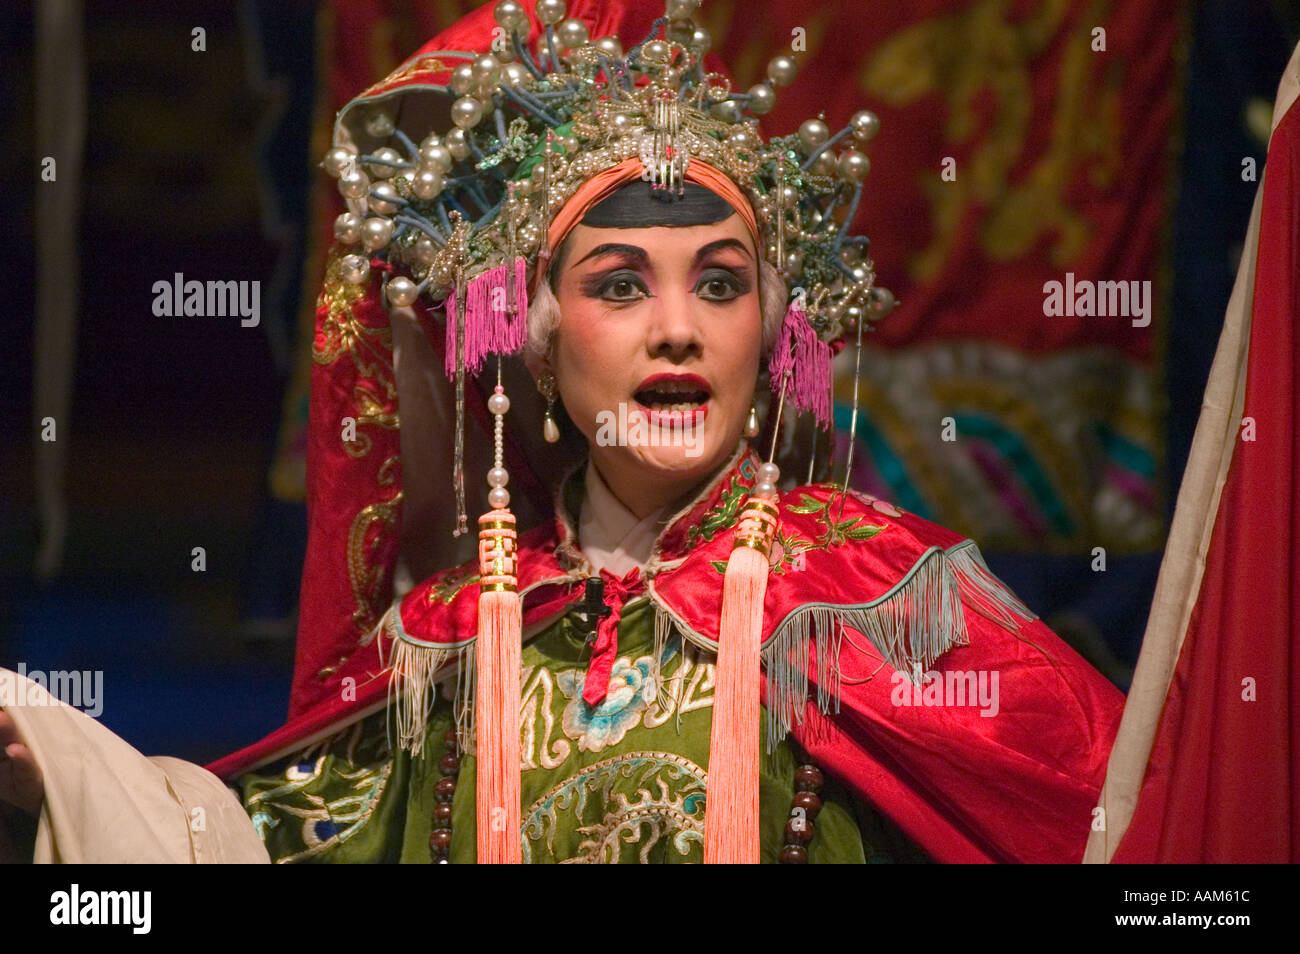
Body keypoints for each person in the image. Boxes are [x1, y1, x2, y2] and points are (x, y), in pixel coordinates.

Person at [0, 0, 1123, 864]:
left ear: (776, 335)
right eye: (621, 286)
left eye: (721, 286)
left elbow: (1135, 830)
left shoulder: (881, 605)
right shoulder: (456, 641)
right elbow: (255, 847)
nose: (676, 331)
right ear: (534, 343)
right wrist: (60, 767)